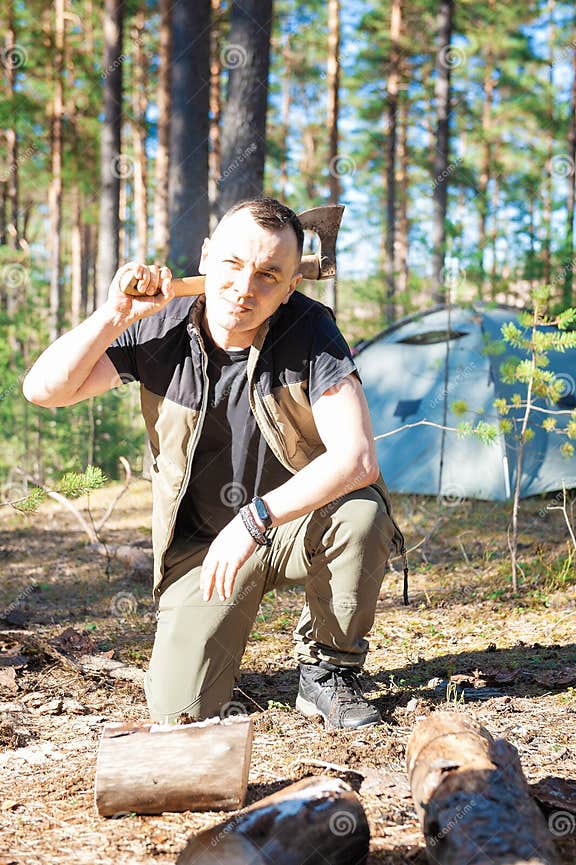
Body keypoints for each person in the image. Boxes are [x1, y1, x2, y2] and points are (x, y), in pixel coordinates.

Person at [23, 197, 406, 730]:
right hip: (202, 551)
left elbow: (357, 458)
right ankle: (210, 651)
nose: (245, 287)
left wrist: (254, 519)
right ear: (205, 257)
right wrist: (115, 315)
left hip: (290, 524)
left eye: (269, 274)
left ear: (292, 284)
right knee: (182, 714)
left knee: (360, 513)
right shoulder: (158, 327)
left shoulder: (310, 329)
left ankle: (328, 671)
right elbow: (43, 390)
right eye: (232, 264)